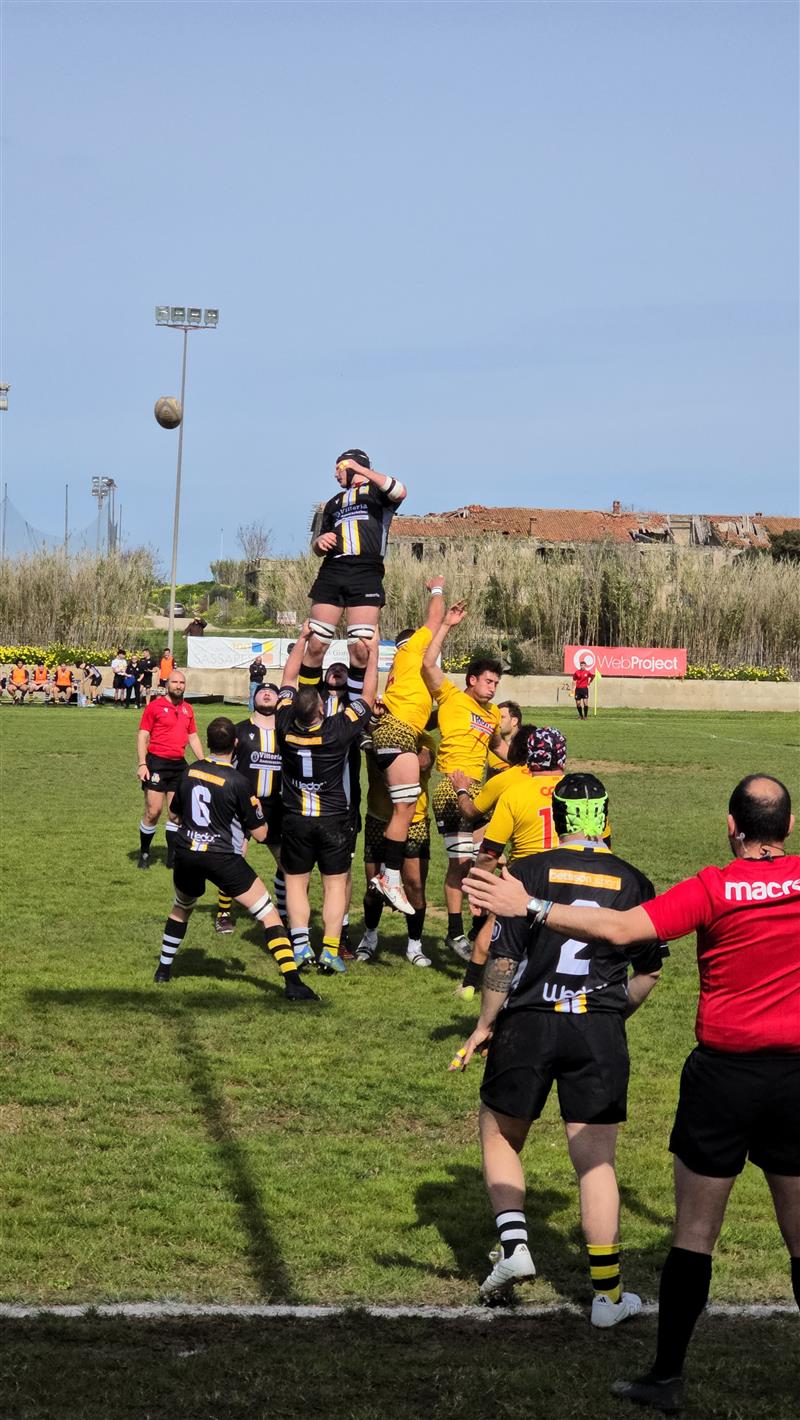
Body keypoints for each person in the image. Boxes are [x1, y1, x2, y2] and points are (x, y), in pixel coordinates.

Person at [471, 773, 799, 1412]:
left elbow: (623, 932)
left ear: (732, 826)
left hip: (724, 1078)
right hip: (797, 1077)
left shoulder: (713, 887)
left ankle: (667, 1377)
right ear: (786, 828)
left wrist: (531, 907)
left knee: (695, 1234)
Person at [456, 773, 665, 1329]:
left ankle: (516, 1243)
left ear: (560, 818)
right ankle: (607, 1296)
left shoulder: (528, 871)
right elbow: (648, 972)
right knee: (595, 1162)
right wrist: (611, 1017)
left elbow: (501, 961)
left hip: (529, 1023)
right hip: (595, 1030)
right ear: (603, 816)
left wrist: (484, 1024)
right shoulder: (634, 880)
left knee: (501, 1133)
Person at [152, 716, 317, 1003]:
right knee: (268, 914)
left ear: (207, 741)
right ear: (236, 743)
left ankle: (163, 970)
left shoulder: (189, 772)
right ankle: (293, 982)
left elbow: (174, 815)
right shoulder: (239, 782)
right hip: (222, 857)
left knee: (182, 907)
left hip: (188, 853)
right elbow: (261, 833)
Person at [276, 623, 378, 975]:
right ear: (321, 709)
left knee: (296, 883)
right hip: (334, 819)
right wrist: (375, 650)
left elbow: (288, 679)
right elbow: (366, 698)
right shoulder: (337, 729)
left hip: (295, 819)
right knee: (335, 886)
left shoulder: (284, 724)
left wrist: (303, 640)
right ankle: (330, 951)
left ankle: (301, 947)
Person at [452, 726, 568, 997]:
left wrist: (479, 888)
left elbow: (488, 854)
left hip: (524, 874)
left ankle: (472, 986)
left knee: (496, 931)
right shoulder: (577, 790)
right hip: (568, 870)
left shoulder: (513, 790)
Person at [420, 601, 507, 960]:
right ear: (472, 679)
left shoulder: (491, 715)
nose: (493, 687)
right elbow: (427, 664)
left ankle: (477, 928)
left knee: (489, 859)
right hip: (450, 787)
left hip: (479, 791)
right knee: (462, 863)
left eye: (497, 683)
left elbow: (502, 748)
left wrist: (538, 762)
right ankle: (457, 932)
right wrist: (446, 625)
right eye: (489, 681)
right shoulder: (453, 698)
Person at [368, 578, 446, 915]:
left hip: (395, 734)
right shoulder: (413, 650)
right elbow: (433, 619)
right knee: (406, 808)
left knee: (406, 806)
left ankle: (390, 876)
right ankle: (389, 877)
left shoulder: (406, 672)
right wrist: (437, 590)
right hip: (397, 735)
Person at [303, 449, 405, 684]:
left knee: (360, 647)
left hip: (366, 570)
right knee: (317, 641)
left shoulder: (377, 493)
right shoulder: (333, 504)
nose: (335, 475)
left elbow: (401, 491)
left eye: (338, 469)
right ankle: (306, 705)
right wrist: (319, 542)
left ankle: (356, 710)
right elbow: (317, 548)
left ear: (353, 466)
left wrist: (359, 469)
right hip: (333, 569)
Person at [212, 682, 287, 935]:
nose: (266, 693)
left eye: (272, 691)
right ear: (253, 699)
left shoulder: (286, 732)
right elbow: (225, 766)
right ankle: (223, 913)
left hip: (276, 804)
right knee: (234, 858)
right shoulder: (240, 731)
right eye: (261, 691)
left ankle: (285, 913)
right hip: (242, 803)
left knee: (286, 861)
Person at [358, 726, 436, 967]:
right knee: (374, 886)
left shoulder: (426, 740)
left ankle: (415, 944)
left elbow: (421, 764)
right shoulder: (376, 735)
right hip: (378, 817)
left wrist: (390, 752)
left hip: (415, 820)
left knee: (414, 885)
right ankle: (369, 936)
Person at [136, 670, 203, 869]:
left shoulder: (188, 709)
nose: (179, 685)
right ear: (167, 684)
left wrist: (204, 762)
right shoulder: (154, 707)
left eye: (182, 682)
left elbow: (193, 737)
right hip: (156, 763)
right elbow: (142, 736)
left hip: (178, 766)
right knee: (153, 811)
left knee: (175, 815)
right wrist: (142, 764)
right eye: (175, 682)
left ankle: (172, 858)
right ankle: (145, 853)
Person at [486, 701, 522, 777]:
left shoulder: (528, 745)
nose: (497, 721)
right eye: (495, 717)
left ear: (514, 721)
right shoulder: (491, 745)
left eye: (502, 717)